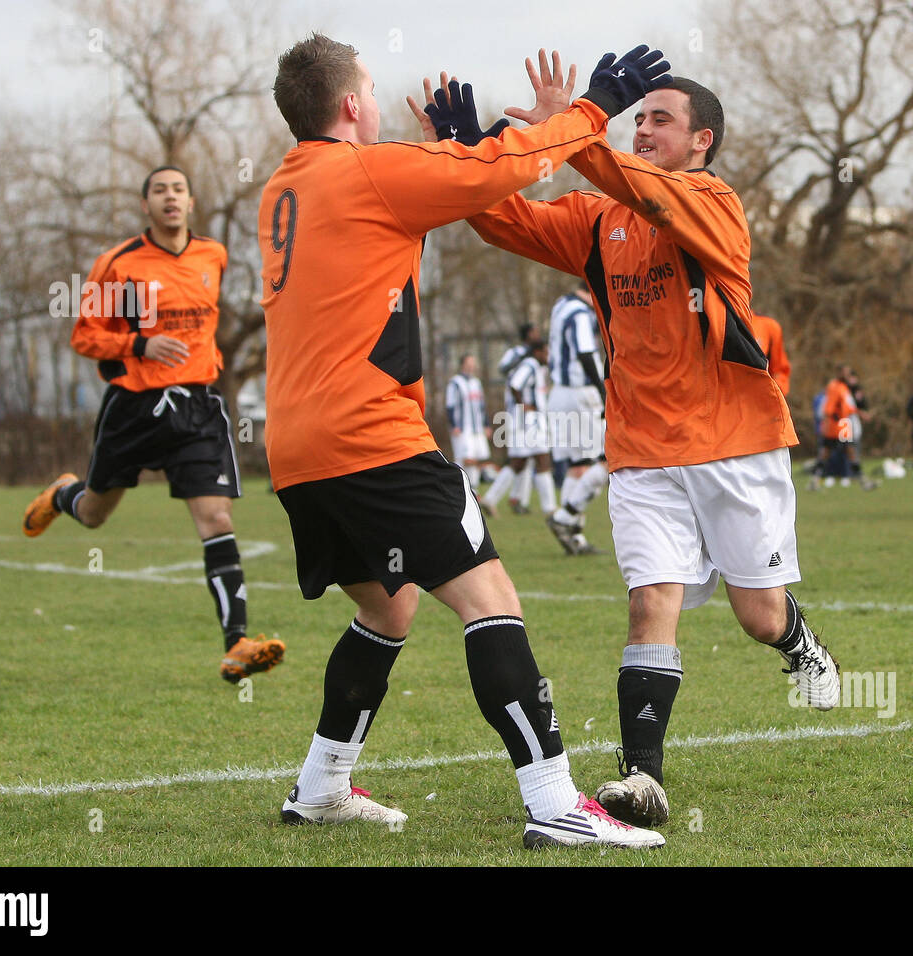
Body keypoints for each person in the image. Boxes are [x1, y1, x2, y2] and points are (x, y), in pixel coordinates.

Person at [261, 34, 671, 848]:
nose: (377, 100)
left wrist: (463, 146)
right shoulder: (366, 170)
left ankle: (320, 787)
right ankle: (556, 803)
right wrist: (593, 109)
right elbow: (497, 174)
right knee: (490, 600)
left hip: (297, 447)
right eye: (371, 87)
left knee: (389, 607)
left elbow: (441, 183)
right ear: (350, 105)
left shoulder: (289, 185)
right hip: (370, 436)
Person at [445, 52, 840, 828]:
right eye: (638, 117)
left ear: (703, 142)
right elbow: (504, 219)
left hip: (734, 443)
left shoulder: (711, 201)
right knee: (649, 602)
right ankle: (642, 778)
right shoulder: (601, 218)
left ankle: (799, 643)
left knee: (757, 616)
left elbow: (641, 188)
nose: (644, 127)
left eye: (661, 118)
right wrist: (471, 157)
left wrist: (571, 124)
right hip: (642, 447)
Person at [22, 166, 284, 684]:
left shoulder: (214, 255)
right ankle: (62, 496)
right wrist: (140, 344)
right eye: (159, 190)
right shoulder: (120, 266)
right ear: (146, 205)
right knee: (95, 514)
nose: (170, 198)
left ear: (190, 202)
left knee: (217, 520)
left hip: (197, 408)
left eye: (178, 190)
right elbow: (85, 335)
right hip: (135, 408)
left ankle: (237, 644)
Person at [545, 277, 608, 555]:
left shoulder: (562, 304)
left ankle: (575, 538)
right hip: (580, 393)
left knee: (579, 465)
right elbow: (584, 352)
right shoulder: (582, 314)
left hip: (559, 393)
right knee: (608, 460)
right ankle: (564, 518)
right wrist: (603, 391)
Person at [482, 339, 557, 517]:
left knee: (518, 463)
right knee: (542, 459)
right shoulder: (530, 365)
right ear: (538, 352)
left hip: (523, 420)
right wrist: (524, 406)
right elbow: (515, 384)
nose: (548, 356)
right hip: (527, 421)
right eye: (546, 352)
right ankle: (550, 507)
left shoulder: (536, 368)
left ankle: (490, 498)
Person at [445, 354, 494, 487]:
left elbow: (481, 406)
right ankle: (462, 486)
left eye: (473, 362)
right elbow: (450, 406)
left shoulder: (476, 383)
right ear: (463, 364)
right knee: (465, 459)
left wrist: (486, 425)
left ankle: (474, 487)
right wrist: (454, 424)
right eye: (469, 362)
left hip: (477, 428)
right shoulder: (455, 383)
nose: (472, 365)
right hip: (462, 428)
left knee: (478, 457)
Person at [811, 365, 857, 488]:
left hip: (844, 425)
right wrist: (826, 425)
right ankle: (818, 477)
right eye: (846, 373)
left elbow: (848, 407)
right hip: (835, 426)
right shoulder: (834, 387)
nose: (848, 376)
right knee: (828, 452)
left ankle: (854, 475)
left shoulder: (844, 387)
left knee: (849, 449)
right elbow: (828, 409)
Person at [749, 313, 790, 396]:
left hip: (757, 401)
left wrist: (772, 393)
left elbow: (780, 372)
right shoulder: (718, 323)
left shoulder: (768, 328)